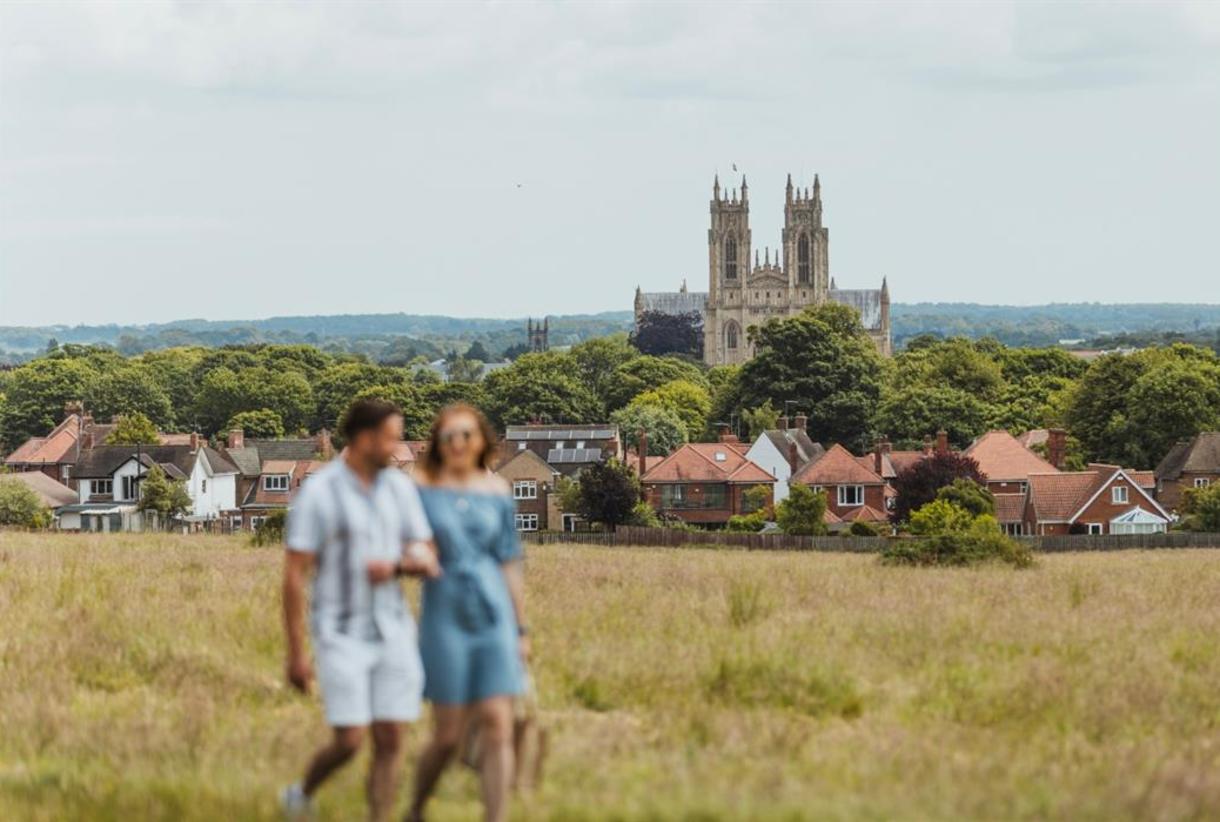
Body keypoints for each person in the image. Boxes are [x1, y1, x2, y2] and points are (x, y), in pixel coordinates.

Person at [280, 398, 440, 821]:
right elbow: (294, 574)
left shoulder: (400, 488)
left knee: (390, 738)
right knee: (350, 740)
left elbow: (423, 546)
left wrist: (408, 561)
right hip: (339, 630)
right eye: (391, 437)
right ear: (365, 439)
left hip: (392, 629)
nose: (397, 446)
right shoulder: (321, 492)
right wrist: (297, 653)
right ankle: (301, 793)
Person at [384, 403, 529, 822]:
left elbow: (509, 562)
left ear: (482, 440)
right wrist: (415, 553)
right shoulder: (422, 488)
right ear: (438, 443)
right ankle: (415, 807)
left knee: (498, 725)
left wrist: (521, 629)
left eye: (467, 435)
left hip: (494, 614)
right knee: (447, 735)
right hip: (444, 613)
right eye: (450, 436)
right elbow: (409, 542)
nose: (459, 443)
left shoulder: (499, 492)